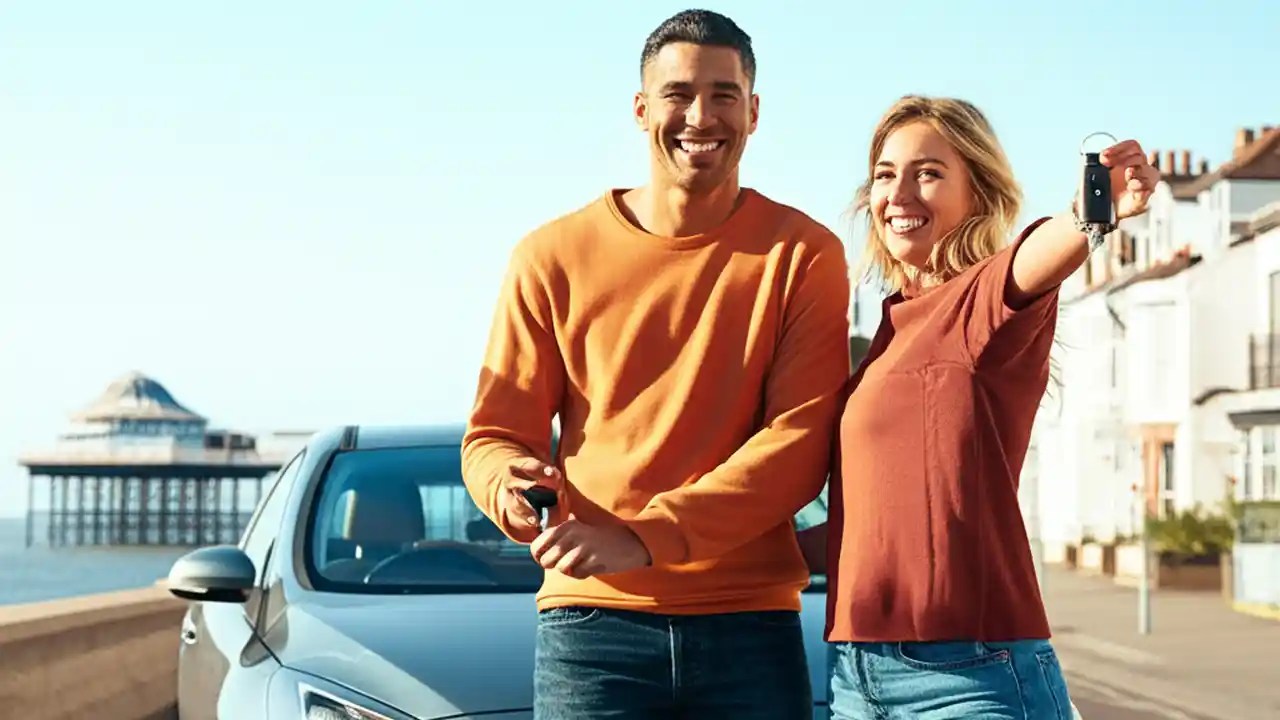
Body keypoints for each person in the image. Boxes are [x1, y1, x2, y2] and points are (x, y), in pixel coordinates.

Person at [460, 9, 851, 719]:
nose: (701, 115)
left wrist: (643, 538)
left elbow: (798, 447)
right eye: (678, 94)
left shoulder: (803, 255)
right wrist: (511, 488)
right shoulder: (550, 257)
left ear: (754, 112)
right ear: (642, 111)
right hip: (591, 627)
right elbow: (493, 438)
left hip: (749, 623)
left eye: (724, 95)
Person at [806, 96, 1157, 719]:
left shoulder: (982, 300)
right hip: (856, 677)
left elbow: (1033, 261)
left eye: (929, 173)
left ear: (979, 191)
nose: (901, 193)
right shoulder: (889, 332)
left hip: (968, 679)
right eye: (886, 174)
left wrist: (1085, 215)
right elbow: (870, 526)